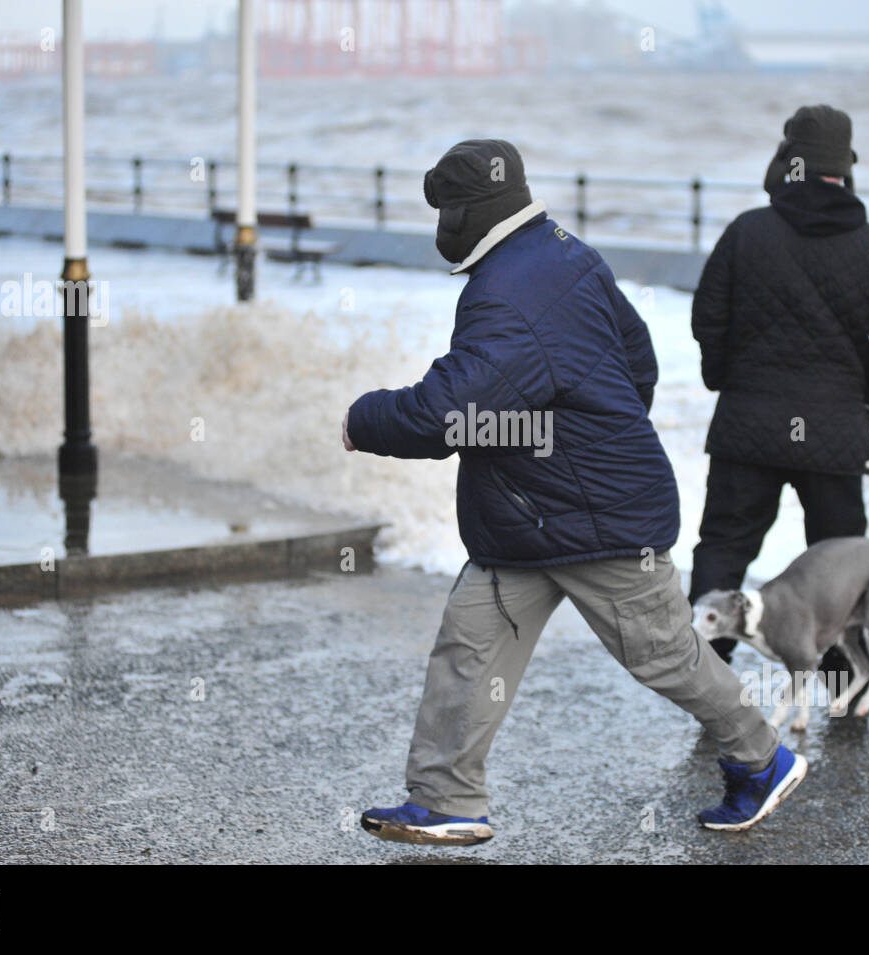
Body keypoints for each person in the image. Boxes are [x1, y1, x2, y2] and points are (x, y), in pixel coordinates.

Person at [342, 139, 805, 845]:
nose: (442, 224)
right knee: (468, 646)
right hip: (524, 517)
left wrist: (358, 418)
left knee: (664, 653)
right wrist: (577, 432)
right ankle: (445, 798)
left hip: (596, 519)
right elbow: (636, 357)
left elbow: (446, 413)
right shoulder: (562, 251)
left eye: (446, 209)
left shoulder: (508, 293)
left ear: (469, 211)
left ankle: (762, 758)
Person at [690, 105, 869, 691]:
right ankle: (842, 691)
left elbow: (707, 316)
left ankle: (709, 691)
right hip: (834, 433)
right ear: (845, 169)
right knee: (838, 566)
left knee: (723, 550)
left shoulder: (746, 232)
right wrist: (866, 409)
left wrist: (724, 380)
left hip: (749, 426)